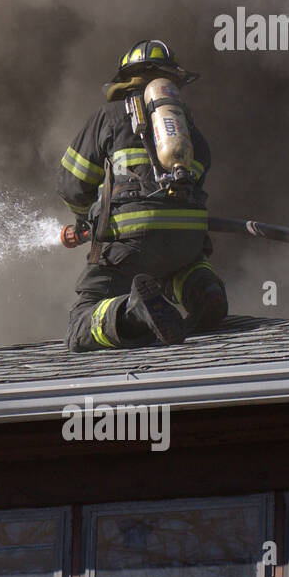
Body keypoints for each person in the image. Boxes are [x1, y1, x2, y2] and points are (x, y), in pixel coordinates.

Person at [57, 39, 228, 352]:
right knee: (176, 265)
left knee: (80, 323)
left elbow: (72, 183)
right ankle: (203, 291)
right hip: (187, 238)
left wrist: (84, 219)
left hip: (132, 239)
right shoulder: (188, 130)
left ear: (126, 78)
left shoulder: (108, 117)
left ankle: (132, 313)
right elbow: (198, 176)